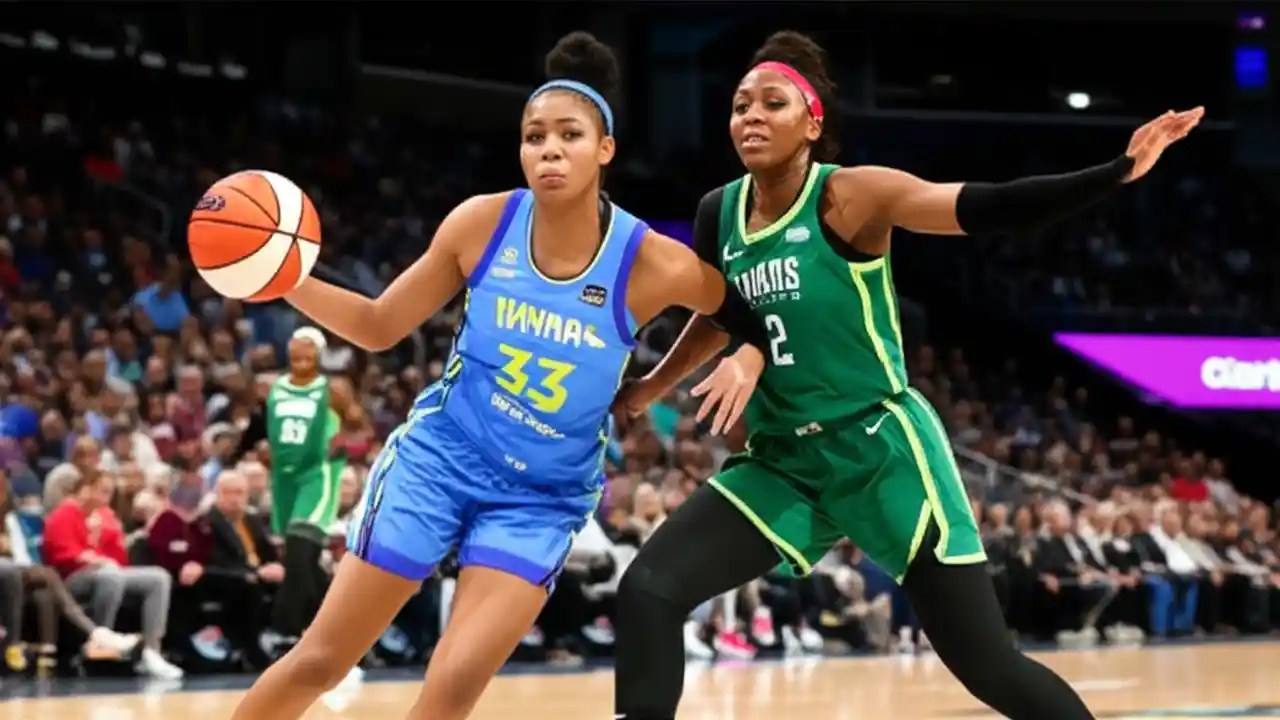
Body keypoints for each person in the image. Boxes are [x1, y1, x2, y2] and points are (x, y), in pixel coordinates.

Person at [610, 30, 1201, 720]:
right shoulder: (719, 212)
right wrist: (647, 389)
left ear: (812, 123)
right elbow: (718, 315)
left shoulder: (854, 196)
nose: (751, 117)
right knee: (648, 588)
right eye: (741, 105)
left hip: (879, 452)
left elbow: (992, 206)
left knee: (988, 667)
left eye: (772, 103)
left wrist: (1117, 171)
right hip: (783, 461)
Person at [230, 31, 765, 720]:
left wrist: (665, 382)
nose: (549, 149)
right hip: (441, 459)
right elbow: (379, 325)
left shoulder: (651, 260)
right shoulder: (482, 224)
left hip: (541, 496)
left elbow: (740, 313)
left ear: (605, 149)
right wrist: (285, 279)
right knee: (322, 660)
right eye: (534, 136)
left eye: (569, 135)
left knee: (451, 686)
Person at [261, 326, 353, 654]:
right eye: (296, 349)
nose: (301, 355)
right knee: (305, 562)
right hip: (284, 476)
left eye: (308, 349)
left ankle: (283, 629)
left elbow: (359, 428)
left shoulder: (334, 388)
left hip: (317, 474)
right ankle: (340, 636)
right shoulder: (275, 388)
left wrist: (342, 444)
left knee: (300, 548)